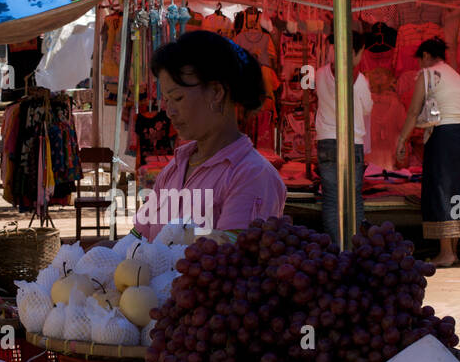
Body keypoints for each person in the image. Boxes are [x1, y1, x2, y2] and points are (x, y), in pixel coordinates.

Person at [132, 30, 286, 241]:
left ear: (216, 93)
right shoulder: (172, 170)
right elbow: (136, 239)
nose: (169, 112)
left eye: (177, 98)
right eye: (167, 100)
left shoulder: (251, 175)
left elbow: (226, 262)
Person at [395, 37, 460, 267]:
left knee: (441, 190)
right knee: (458, 189)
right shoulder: (456, 76)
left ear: (426, 56)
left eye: (420, 59)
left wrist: (402, 140)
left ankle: (446, 252)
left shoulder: (429, 75)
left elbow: (413, 112)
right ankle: (453, 250)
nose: (420, 64)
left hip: (444, 135)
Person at [315, 31, 373, 245]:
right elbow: (367, 108)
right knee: (353, 196)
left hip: (326, 140)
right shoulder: (360, 80)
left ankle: (336, 247)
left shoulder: (320, 73)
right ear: (356, 52)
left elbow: (311, 91)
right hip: (352, 141)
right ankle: (354, 245)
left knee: (331, 197)